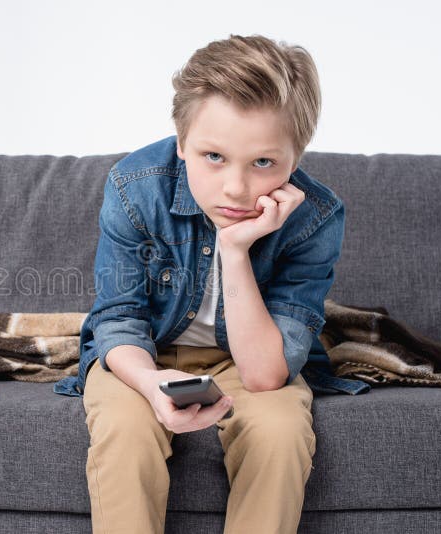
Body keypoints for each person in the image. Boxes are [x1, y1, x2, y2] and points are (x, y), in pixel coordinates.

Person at [73, 34, 340, 533]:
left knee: (280, 433)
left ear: (296, 157)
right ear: (181, 143)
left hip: (249, 358)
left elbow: (264, 375)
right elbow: (118, 317)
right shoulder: (135, 188)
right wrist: (151, 383)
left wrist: (234, 251)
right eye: (213, 156)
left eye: (263, 162)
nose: (235, 188)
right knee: (124, 430)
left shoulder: (315, 217)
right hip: (145, 354)